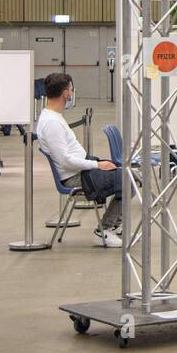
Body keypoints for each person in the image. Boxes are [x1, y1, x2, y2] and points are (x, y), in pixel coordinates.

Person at [35, 72, 122, 247]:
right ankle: (104, 229)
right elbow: (65, 160)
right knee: (127, 180)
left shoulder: (53, 117)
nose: (72, 93)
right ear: (66, 93)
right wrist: (97, 164)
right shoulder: (52, 123)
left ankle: (114, 224)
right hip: (75, 176)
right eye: (72, 90)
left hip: (83, 168)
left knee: (125, 174)